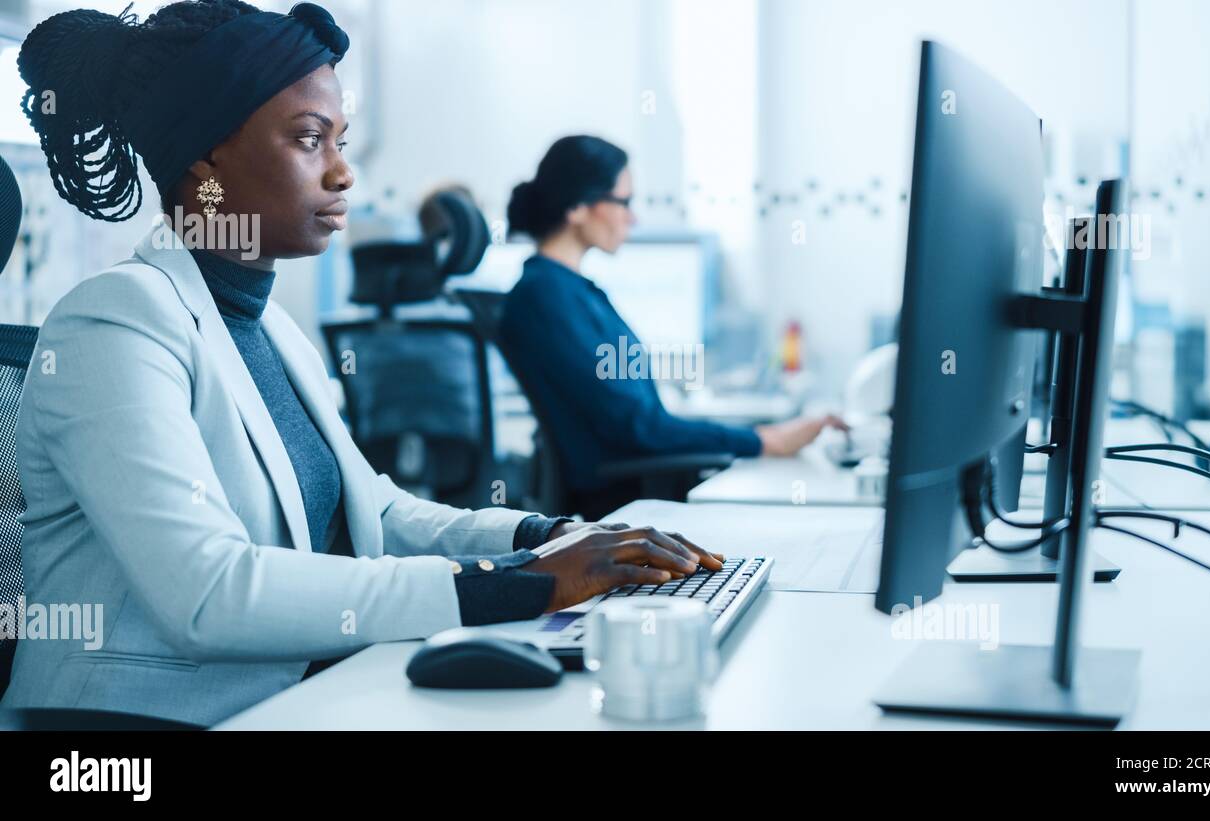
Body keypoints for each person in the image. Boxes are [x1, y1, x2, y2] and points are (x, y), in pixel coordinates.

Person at [1, 0, 718, 727]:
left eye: (340, 140)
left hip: (289, 702)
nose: (343, 174)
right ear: (206, 158)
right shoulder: (114, 320)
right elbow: (207, 590)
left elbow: (377, 511)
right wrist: (514, 586)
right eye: (311, 140)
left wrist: (544, 536)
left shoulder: (272, 329)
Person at [501, 135, 846, 518]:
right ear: (579, 206)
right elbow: (640, 428)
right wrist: (765, 440)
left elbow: (638, 419)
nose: (632, 217)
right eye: (624, 202)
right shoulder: (548, 298)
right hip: (624, 505)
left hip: (635, 488)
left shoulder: (570, 292)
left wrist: (760, 437)